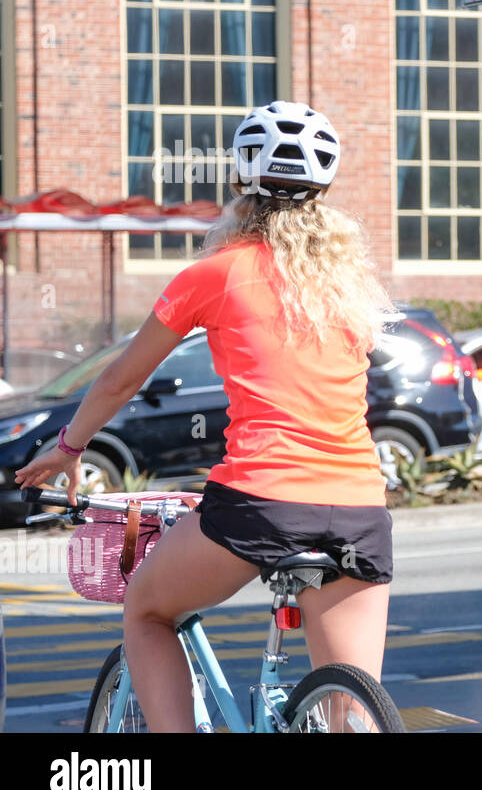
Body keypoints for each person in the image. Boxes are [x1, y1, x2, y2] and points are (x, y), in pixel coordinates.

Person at [16, 101, 396, 732]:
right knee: (350, 713)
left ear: (238, 180)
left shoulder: (214, 274)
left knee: (146, 610)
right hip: (360, 508)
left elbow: (120, 378)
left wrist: (70, 446)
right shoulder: (348, 285)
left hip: (260, 500)